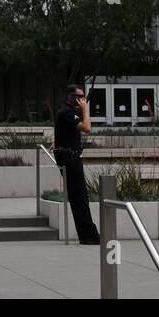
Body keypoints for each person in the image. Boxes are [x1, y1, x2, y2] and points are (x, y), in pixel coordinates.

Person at [53, 84, 100, 245]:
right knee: (79, 197)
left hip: (70, 156)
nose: (82, 100)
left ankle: (88, 235)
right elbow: (87, 128)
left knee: (79, 197)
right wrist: (86, 110)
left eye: (83, 97)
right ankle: (89, 236)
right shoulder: (66, 112)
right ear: (70, 97)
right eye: (78, 97)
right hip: (69, 158)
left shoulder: (67, 112)